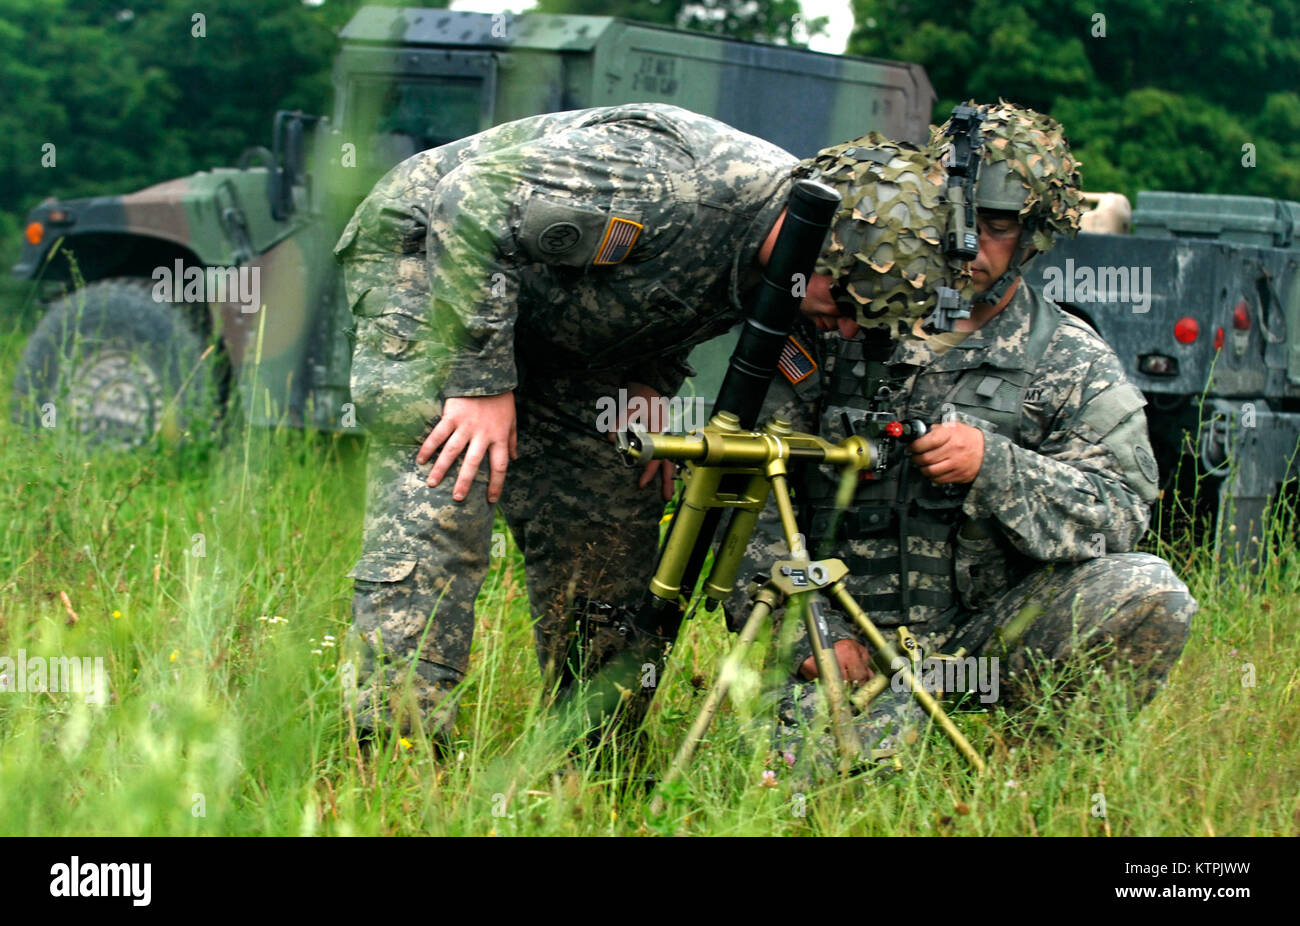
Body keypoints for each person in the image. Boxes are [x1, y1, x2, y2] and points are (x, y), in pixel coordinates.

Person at [332, 103, 970, 744]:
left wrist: (647, 385)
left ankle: (593, 748)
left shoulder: (790, 250)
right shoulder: (671, 185)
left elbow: (662, 292)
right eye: (845, 303)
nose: (847, 328)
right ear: (817, 246)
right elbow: (469, 201)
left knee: (612, 503)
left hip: (557, 321)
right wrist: (480, 384)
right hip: (429, 260)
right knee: (453, 472)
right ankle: (392, 739)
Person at [730, 101, 1197, 757]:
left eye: (997, 226)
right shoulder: (844, 314)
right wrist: (810, 629)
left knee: (1149, 593)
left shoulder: (1069, 357)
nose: (969, 242)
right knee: (815, 789)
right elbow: (748, 487)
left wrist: (996, 468)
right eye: (959, 214)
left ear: (1033, 237)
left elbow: (1120, 509)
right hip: (850, 644)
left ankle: (1036, 769)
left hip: (986, 638)